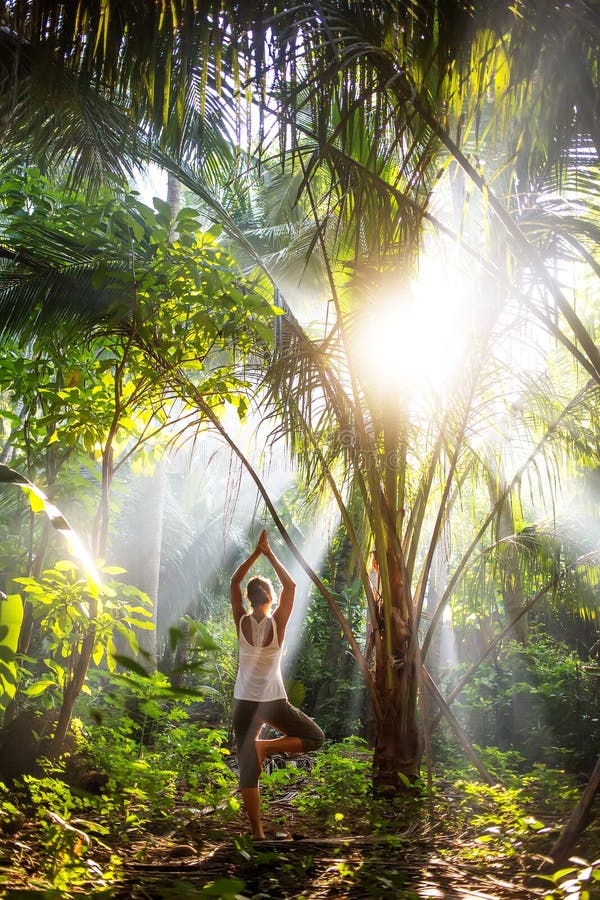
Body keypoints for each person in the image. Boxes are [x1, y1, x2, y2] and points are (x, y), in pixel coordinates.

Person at [230, 528, 324, 839]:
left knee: (248, 771)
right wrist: (269, 553)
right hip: (272, 701)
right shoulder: (278, 624)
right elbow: (291, 585)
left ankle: (257, 833)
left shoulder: (241, 621)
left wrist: (255, 554)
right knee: (314, 737)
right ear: (270, 598)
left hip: (244, 702)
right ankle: (266, 746)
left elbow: (234, 582)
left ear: (249, 598)